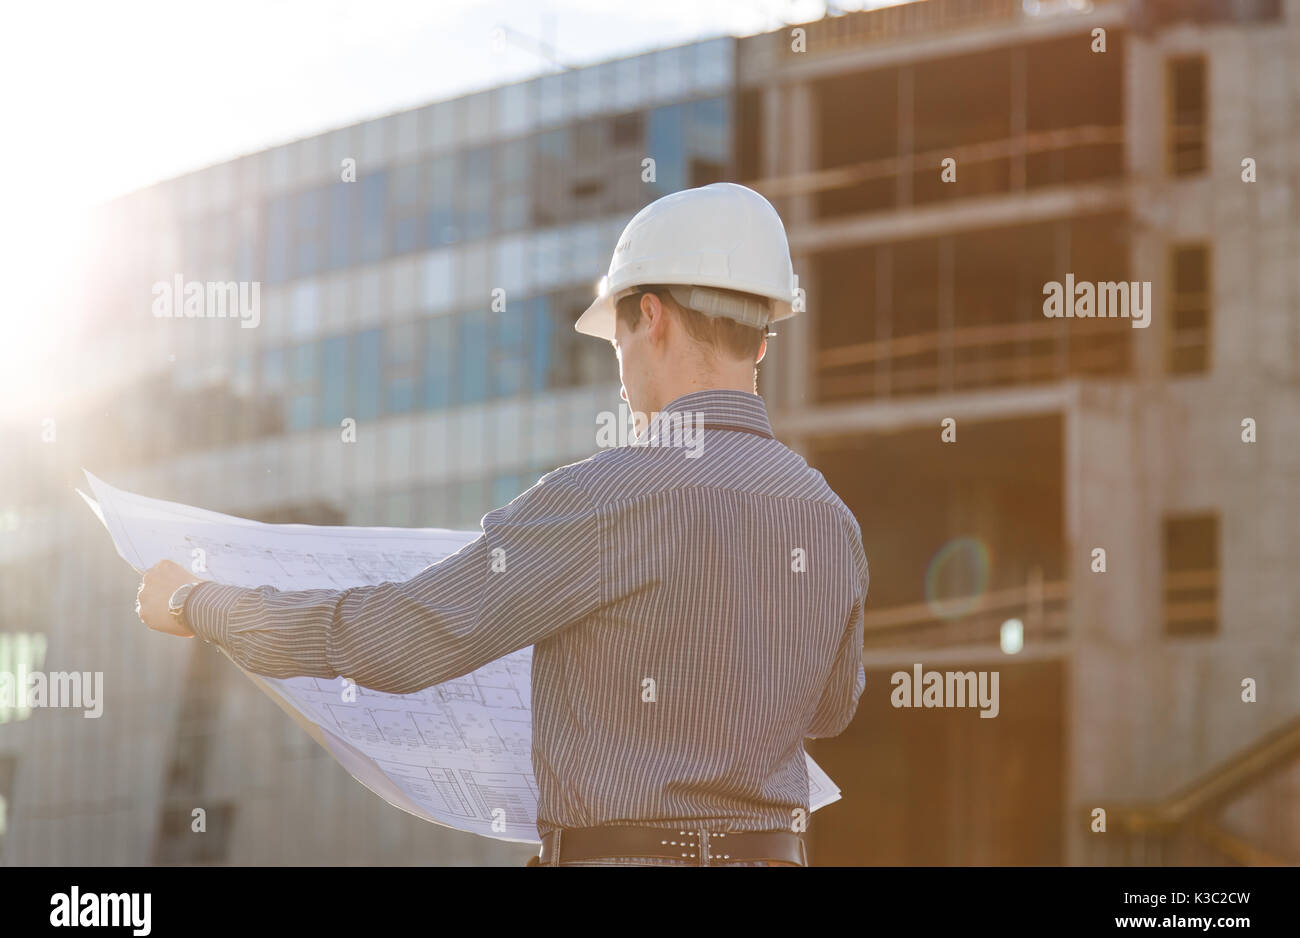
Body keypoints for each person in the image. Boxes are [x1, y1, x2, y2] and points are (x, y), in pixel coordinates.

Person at [136, 182, 868, 867]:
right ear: (763, 337)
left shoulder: (603, 499)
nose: (620, 367)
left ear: (651, 316)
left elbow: (399, 640)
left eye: (616, 335)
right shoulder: (831, 519)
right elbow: (830, 711)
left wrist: (198, 604)